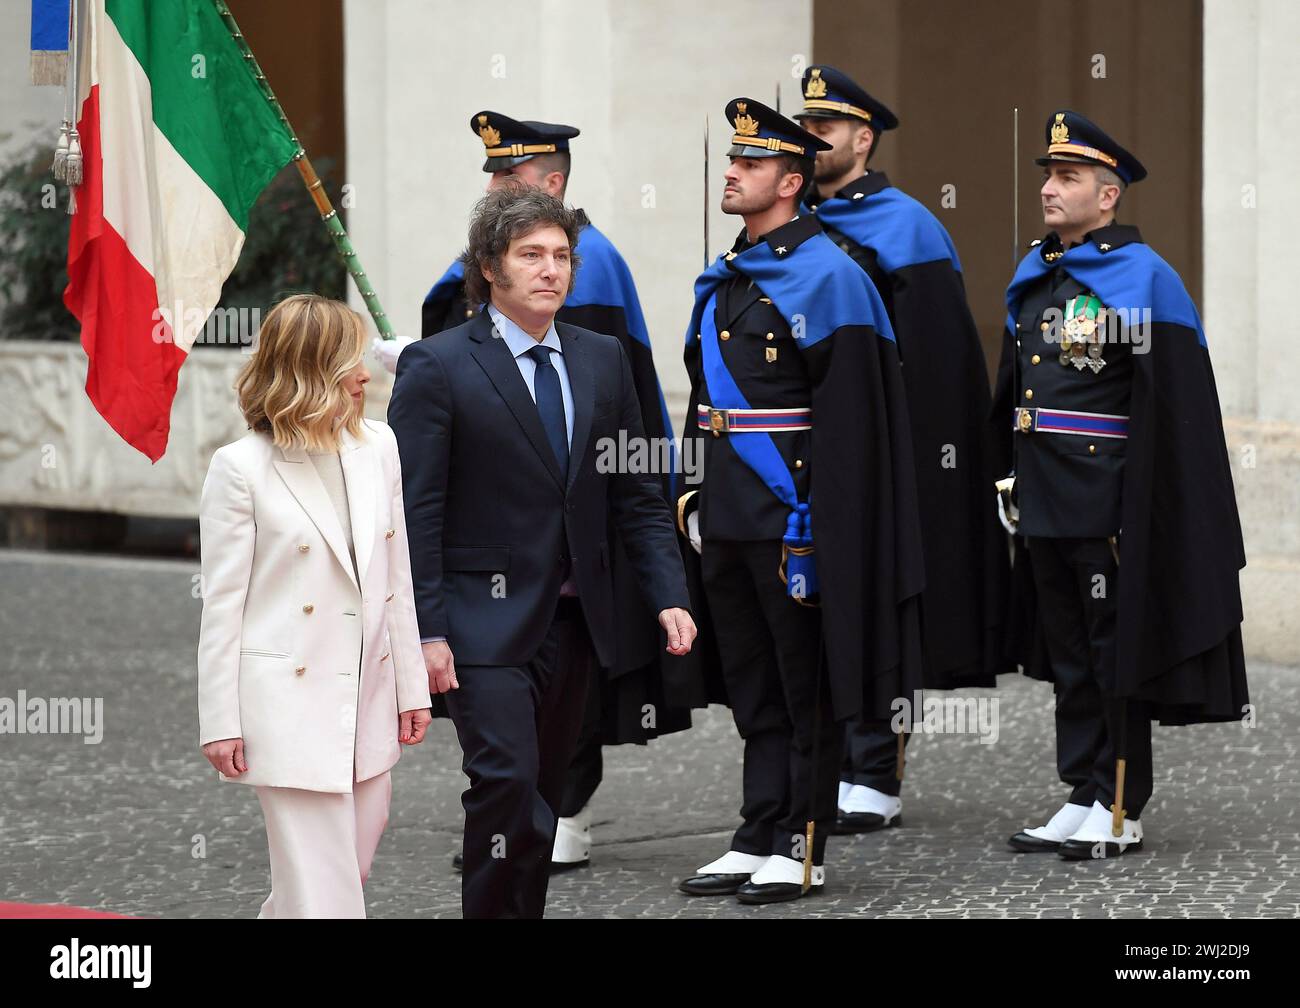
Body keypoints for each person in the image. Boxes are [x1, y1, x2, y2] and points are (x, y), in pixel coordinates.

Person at [385, 110, 691, 871]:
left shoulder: (595, 330)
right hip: (483, 606)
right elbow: (418, 504)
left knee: (540, 796)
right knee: (505, 783)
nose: (550, 269)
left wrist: (666, 587)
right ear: (493, 264)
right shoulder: (449, 342)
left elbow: (630, 475)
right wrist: (423, 626)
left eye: (560, 255)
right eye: (531, 255)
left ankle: (560, 822)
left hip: (574, 599)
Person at [675, 98, 925, 905]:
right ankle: (757, 831)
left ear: (789, 180)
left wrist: (826, 525)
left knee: (802, 684)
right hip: (730, 517)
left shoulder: (833, 278)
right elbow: (705, 404)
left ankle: (802, 841)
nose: (731, 173)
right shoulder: (729, 279)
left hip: (794, 522)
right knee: (750, 684)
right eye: (731, 162)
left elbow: (854, 427)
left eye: (748, 165)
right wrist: (690, 494)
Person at [996, 111, 1249, 858]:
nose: (1049, 187)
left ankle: (1120, 800)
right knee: (1067, 652)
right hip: (1044, 493)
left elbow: (1175, 408)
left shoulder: (1143, 278)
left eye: (1067, 177)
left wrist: (1152, 508)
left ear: (1108, 197)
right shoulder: (1039, 272)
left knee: (1114, 651)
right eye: (1048, 174)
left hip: (1108, 500)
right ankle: (1081, 787)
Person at [795, 65, 1011, 833]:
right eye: (806, 124)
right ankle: (812, 763)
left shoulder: (907, 225)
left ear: (863, 137)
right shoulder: (785, 224)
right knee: (808, 603)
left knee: (879, 604)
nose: (812, 137)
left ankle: (874, 766)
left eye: (828, 126)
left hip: (884, 448)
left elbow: (938, 361)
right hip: (795, 452)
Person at [196, 294, 432, 918]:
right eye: (350, 360)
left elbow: (396, 576)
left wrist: (412, 686)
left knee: (336, 876)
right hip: (287, 703)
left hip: (369, 696)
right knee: (328, 896)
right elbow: (222, 604)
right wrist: (220, 719)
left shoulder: (379, 446)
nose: (365, 373)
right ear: (311, 370)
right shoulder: (240, 468)